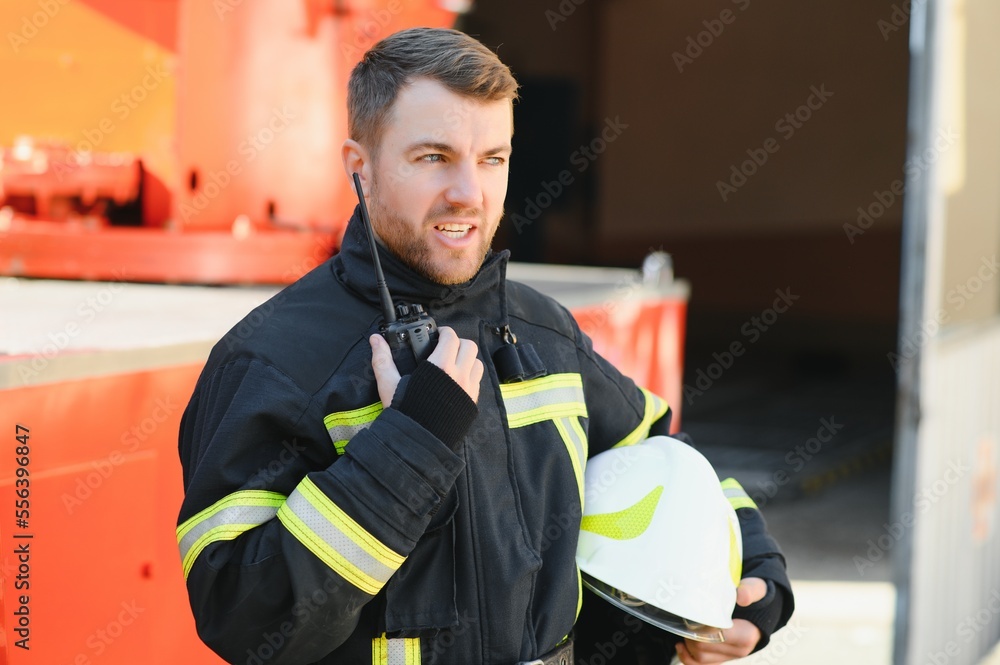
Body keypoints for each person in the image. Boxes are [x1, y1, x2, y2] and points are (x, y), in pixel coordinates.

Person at [176, 27, 793, 665]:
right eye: (434, 157)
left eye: (492, 158)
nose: (470, 194)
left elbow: (659, 458)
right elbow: (244, 619)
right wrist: (408, 447)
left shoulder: (543, 331)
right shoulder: (272, 362)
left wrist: (753, 573)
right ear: (359, 166)